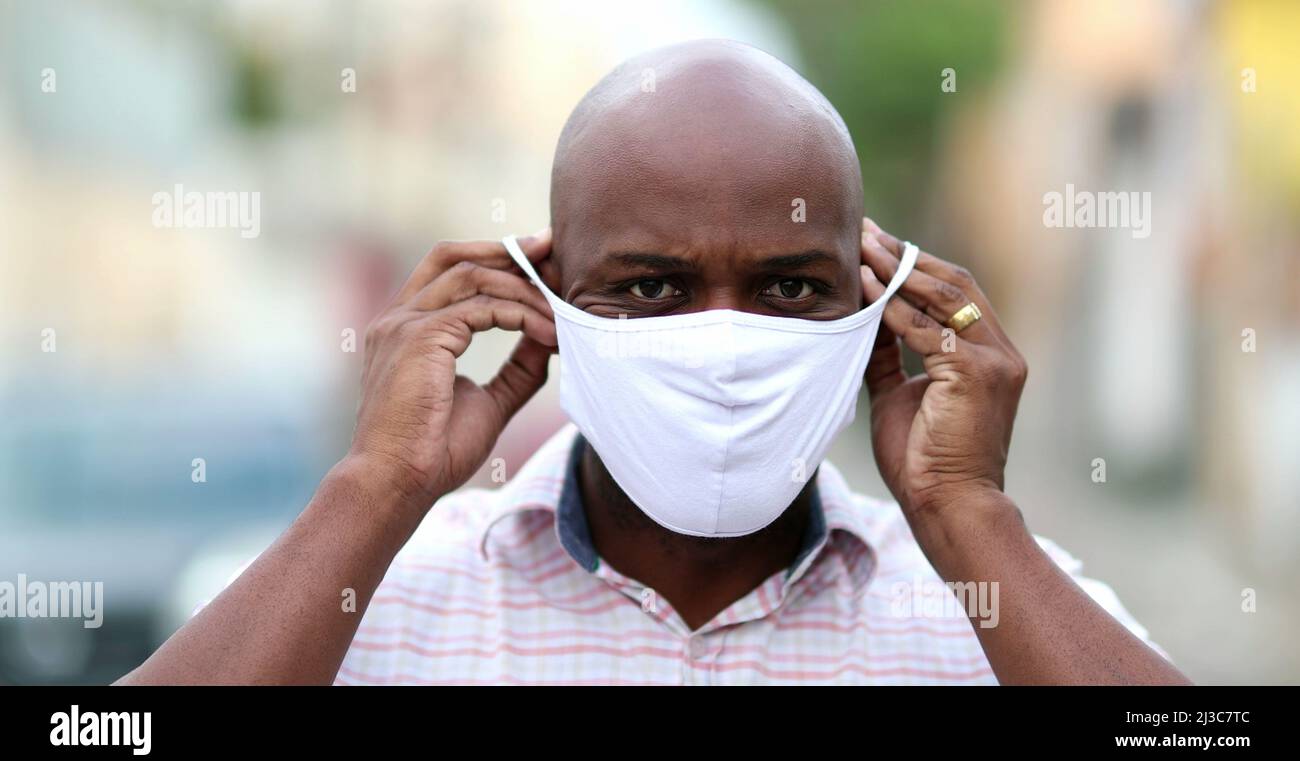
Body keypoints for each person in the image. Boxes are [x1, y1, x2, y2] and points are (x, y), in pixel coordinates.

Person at [119, 39, 1187, 685]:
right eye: (648, 288)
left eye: (786, 287)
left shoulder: (990, 607)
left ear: (875, 310)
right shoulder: (369, 599)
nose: (721, 341)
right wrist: (369, 490)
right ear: (542, 304)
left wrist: (970, 513)